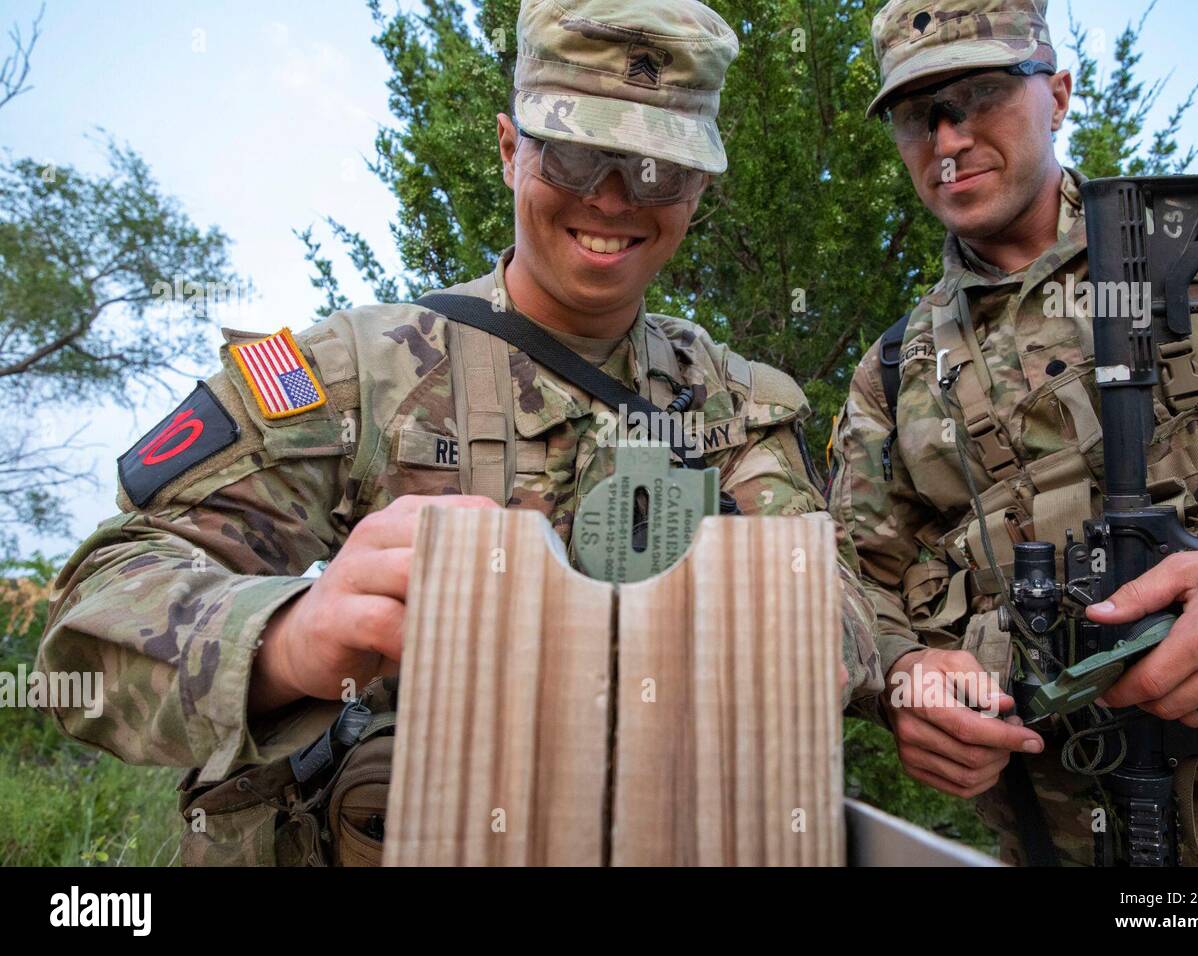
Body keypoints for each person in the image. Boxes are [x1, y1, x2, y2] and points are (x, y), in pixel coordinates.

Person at [37, 0, 882, 866]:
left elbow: (847, 620)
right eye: (579, 154)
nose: (617, 197)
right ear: (513, 151)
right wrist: (290, 638)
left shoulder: (732, 402)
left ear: (700, 187)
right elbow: (94, 618)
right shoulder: (357, 371)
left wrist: (763, 631)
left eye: (661, 168)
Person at [829, 0, 1198, 865]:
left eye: (976, 95)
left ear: (1060, 92)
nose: (946, 141)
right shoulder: (892, 375)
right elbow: (852, 580)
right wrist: (903, 678)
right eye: (913, 116)